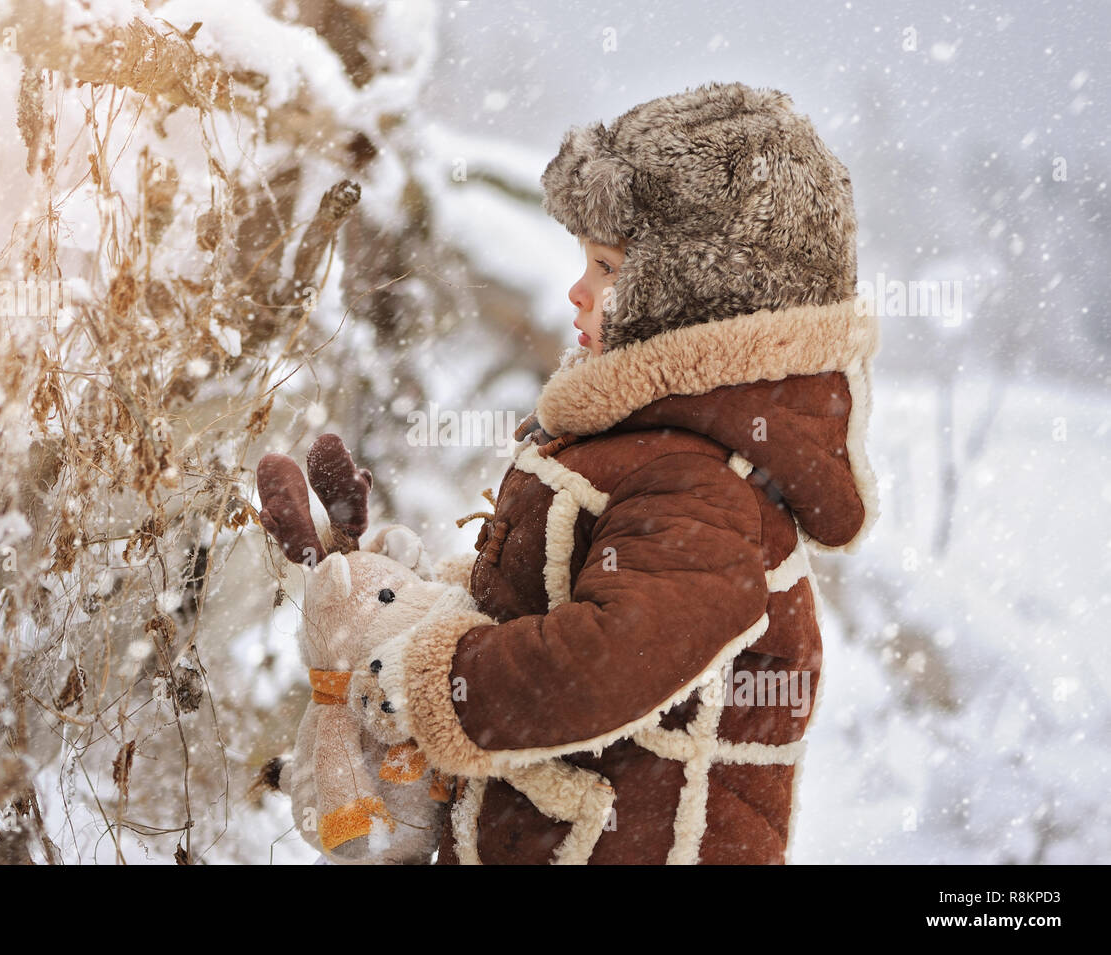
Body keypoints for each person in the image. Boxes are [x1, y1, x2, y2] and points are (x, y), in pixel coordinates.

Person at [354, 80, 880, 864]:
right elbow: (569, 588)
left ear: (690, 300)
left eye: (605, 266)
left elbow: (612, 653)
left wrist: (445, 683)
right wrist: (437, 601)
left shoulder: (698, 480)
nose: (577, 289)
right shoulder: (645, 446)